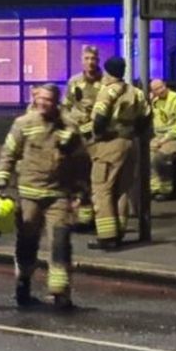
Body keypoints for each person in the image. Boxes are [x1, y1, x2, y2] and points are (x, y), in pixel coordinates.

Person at [0, 84, 87, 309]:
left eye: (49, 99)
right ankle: (23, 285)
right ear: (35, 100)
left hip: (59, 195)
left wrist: (82, 191)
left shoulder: (69, 126)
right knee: (27, 242)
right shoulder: (23, 124)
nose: (44, 103)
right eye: (41, 99)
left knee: (61, 243)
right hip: (29, 195)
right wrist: (0, 181)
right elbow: (9, 152)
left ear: (57, 101)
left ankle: (60, 292)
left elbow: (82, 161)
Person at [86, 57, 148, 250]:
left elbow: (100, 119)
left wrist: (99, 136)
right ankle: (119, 230)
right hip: (129, 143)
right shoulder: (135, 92)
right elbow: (145, 118)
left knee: (102, 189)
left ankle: (107, 236)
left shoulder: (108, 91)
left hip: (110, 144)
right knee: (121, 189)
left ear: (107, 71)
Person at [62, 46, 105, 226]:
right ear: (82, 60)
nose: (90, 62)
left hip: (97, 137)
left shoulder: (105, 82)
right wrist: (70, 122)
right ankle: (81, 214)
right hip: (77, 136)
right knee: (76, 173)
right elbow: (65, 106)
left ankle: (94, 214)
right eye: (86, 58)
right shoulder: (74, 82)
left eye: (93, 58)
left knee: (95, 176)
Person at [149, 79, 176, 200]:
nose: (160, 91)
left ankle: (166, 189)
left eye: (161, 87)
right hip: (159, 137)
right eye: (156, 89)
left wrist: (165, 140)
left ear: (165, 85)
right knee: (147, 154)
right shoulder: (155, 101)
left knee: (160, 156)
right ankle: (154, 188)